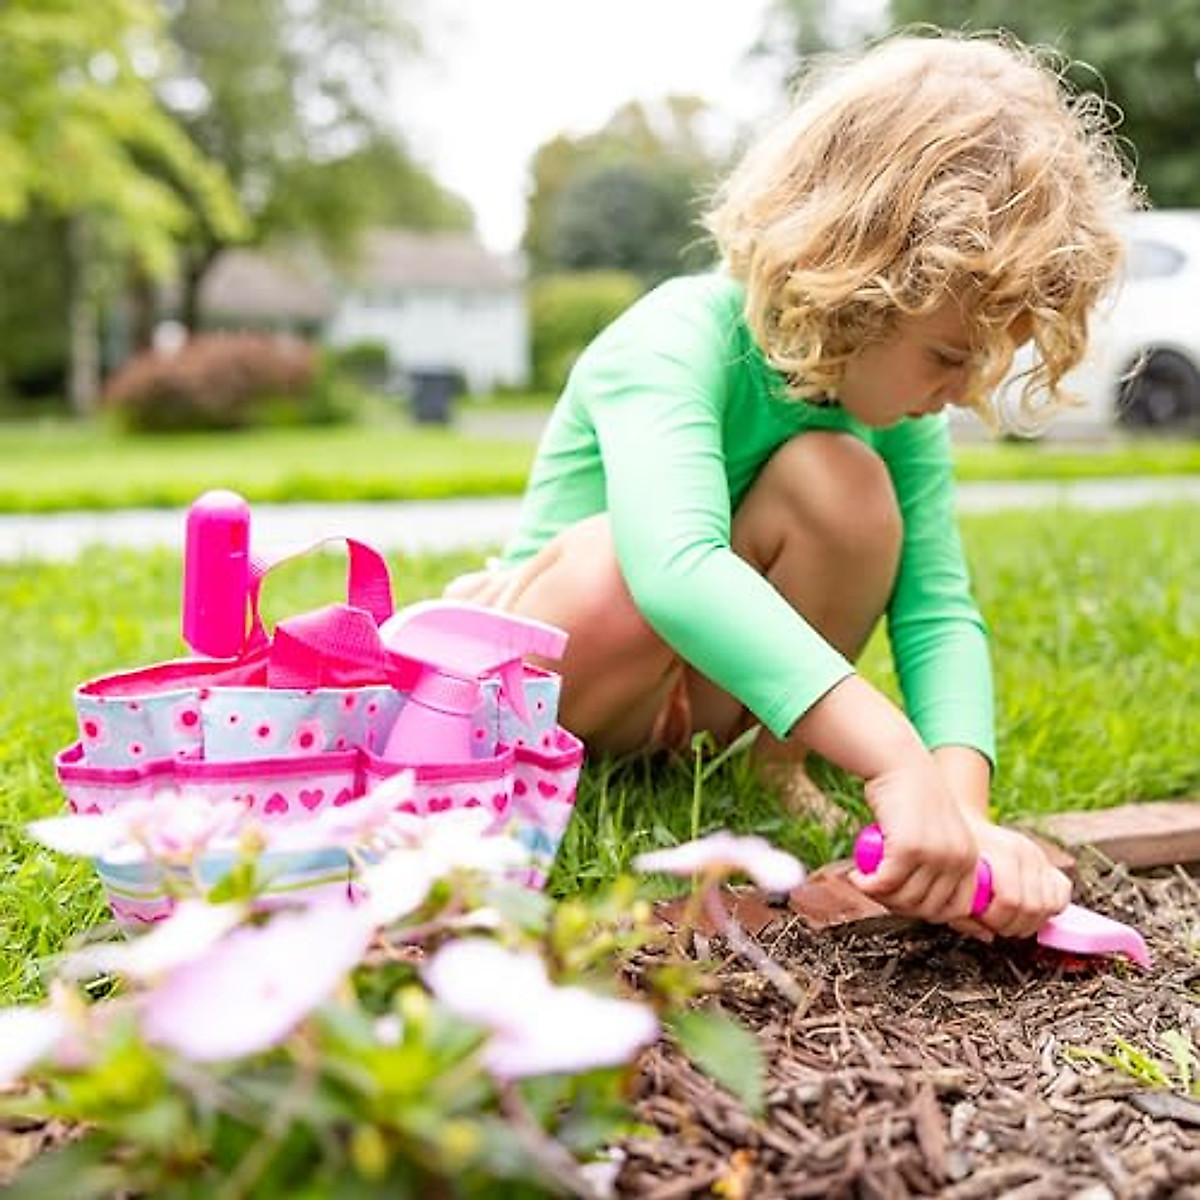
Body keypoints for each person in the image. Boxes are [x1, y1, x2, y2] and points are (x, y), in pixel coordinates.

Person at [447, 31, 1136, 942]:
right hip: (572, 694)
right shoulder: (672, 340)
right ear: (862, 282)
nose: (959, 394)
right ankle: (641, 769)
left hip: (711, 703)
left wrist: (961, 808)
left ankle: (774, 768)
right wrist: (894, 759)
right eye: (947, 357)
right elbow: (676, 570)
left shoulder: (889, 415)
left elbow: (935, 607)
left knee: (842, 482)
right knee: (623, 555)